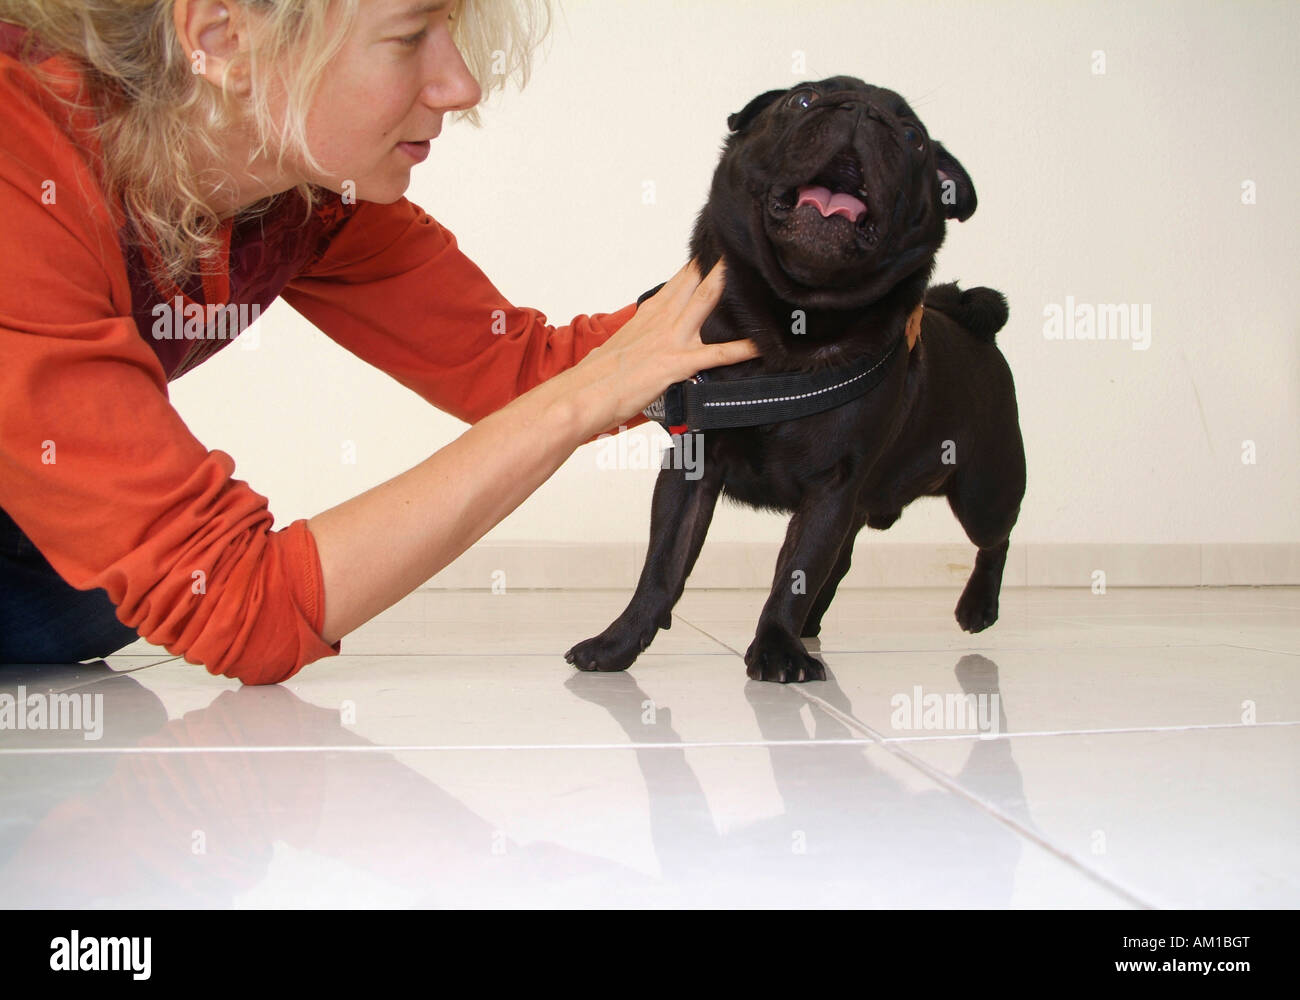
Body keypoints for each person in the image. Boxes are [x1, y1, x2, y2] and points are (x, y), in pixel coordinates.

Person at [0, 0, 758, 682]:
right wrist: (577, 405)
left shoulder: (309, 189)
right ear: (223, 37)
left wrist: (783, 298)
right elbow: (237, 599)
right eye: (407, 36)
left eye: (451, 31)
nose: (462, 85)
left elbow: (521, 366)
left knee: (87, 595)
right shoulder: (20, 161)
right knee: (97, 588)